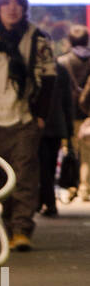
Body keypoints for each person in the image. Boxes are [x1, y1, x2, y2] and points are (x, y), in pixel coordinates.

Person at [0, 0, 55, 250]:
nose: (12, 8)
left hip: (25, 118)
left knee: (25, 173)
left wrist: (40, 115)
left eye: (17, 2)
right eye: (6, 3)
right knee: (2, 177)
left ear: (24, 7)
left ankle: (21, 228)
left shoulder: (38, 37)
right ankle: (10, 222)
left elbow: (50, 77)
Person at [58, 25, 90, 201]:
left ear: (70, 40)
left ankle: (70, 187)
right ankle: (85, 189)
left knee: (69, 150)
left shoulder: (63, 62)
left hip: (68, 114)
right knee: (87, 154)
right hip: (88, 114)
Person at [38, 60, 74, 215]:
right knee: (50, 166)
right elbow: (68, 100)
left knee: (43, 166)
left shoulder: (35, 67)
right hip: (57, 124)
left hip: (39, 123)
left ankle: (49, 203)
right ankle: (43, 200)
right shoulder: (61, 69)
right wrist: (68, 127)